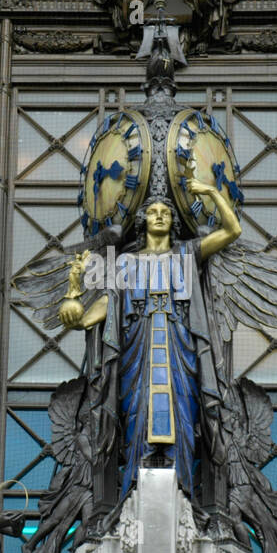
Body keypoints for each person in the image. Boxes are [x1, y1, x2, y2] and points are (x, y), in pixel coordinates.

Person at [57, 183, 240, 497]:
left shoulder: (187, 253)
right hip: (137, 354)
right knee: (137, 418)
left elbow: (232, 230)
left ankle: (181, 497)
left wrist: (209, 190)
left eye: (165, 213)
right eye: (153, 212)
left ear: (173, 221)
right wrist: (75, 304)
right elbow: (107, 306)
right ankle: (135, 495)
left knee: (181, 417)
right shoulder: (126, 263)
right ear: (143, 222)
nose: (159, 217)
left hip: (179, 352)